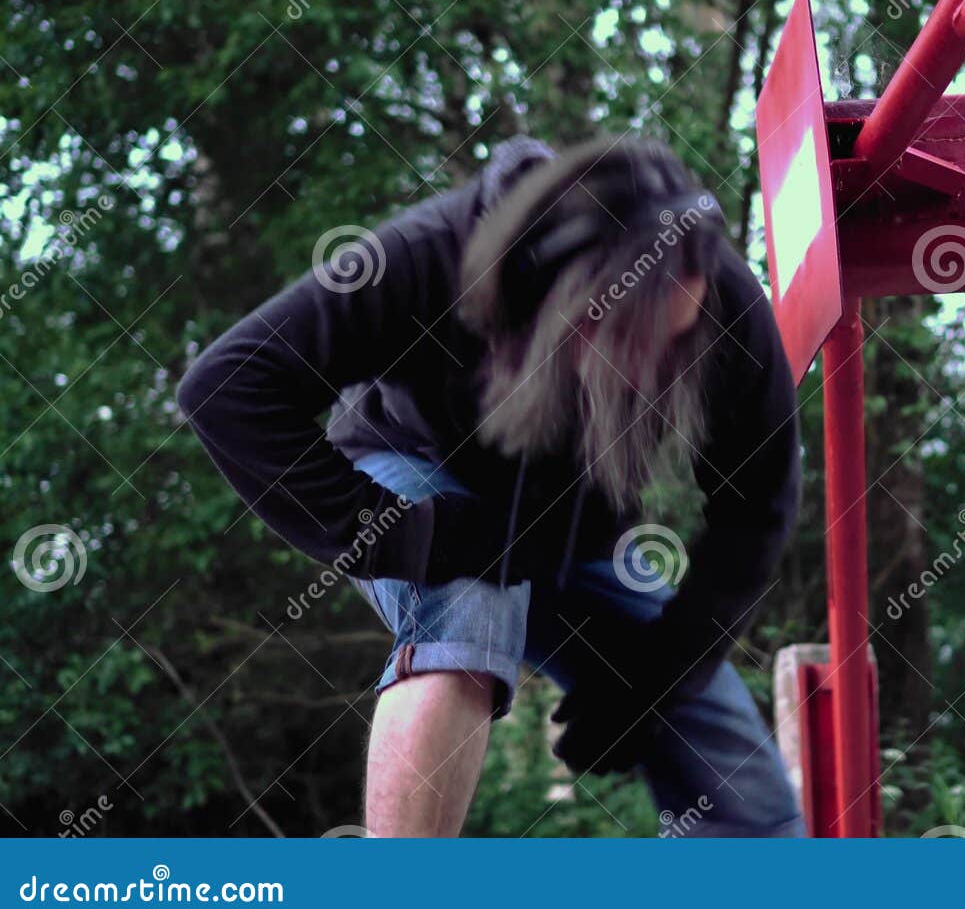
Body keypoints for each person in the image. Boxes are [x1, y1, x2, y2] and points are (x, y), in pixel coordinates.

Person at [178, 135, 804, 837]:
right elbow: (227, 387)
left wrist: (654, 684)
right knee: (468, 605)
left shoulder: (721, 301)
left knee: (734, 774)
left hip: (570, 538)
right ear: (572, 301)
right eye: (639, 341)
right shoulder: (428, 255)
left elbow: (757, 510)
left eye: (677, 343)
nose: (658, 369)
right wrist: (405, 533)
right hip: (420, 477)